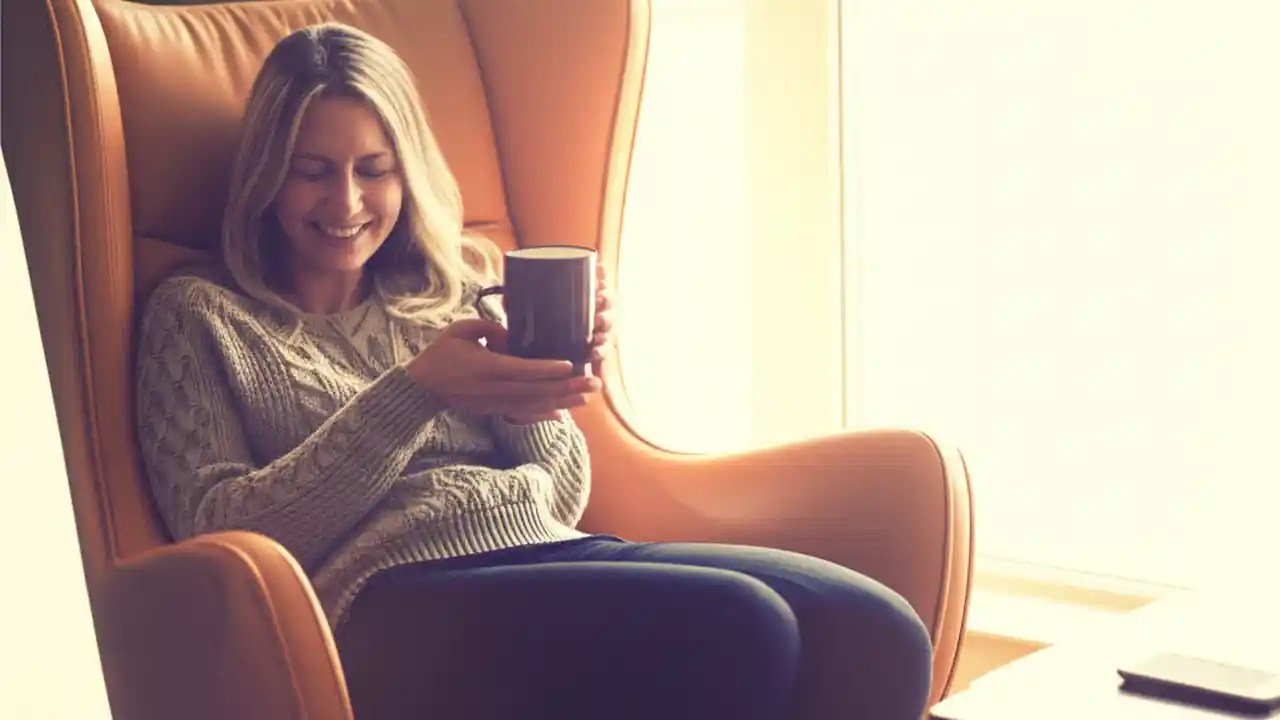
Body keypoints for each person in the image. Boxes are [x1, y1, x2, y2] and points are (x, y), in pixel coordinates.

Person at [134, 22, 932, 720]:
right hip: (382, 606)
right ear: (266, 173)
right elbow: (220, 531)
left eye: (373, 169)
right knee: (743, 625)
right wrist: (414, 394)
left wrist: (540, 387)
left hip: (541, 545)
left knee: (874, 631)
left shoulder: (451, 287)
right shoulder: (200, 313)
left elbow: (561, 492)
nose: (346, 200)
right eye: (312, 169)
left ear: (406, 173)